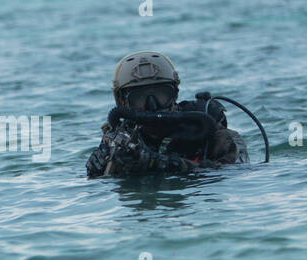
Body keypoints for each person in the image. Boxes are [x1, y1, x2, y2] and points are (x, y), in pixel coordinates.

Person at [86, 51, 247, 177]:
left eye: (161, 95)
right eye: (140, 98)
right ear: (122, 102)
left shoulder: (205, 126)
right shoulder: (120, 138)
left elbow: (234, 170)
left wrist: (163, 164)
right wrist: (96, 168)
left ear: (175, 93)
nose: (152, 105)